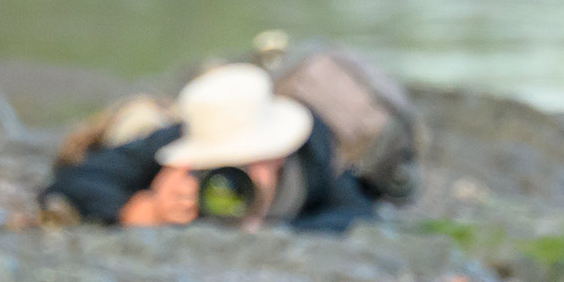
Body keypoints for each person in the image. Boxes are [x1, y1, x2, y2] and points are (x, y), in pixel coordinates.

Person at [41, 64, 378, 234]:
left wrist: (277, 232)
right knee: (130, 128)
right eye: (220, 164)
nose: (235, 176)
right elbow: (73, 181)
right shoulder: (176, 144)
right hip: (162, 131)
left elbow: (359, 219)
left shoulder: (313, 155)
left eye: (250, 159)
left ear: (278, 153)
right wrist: (139, 209)